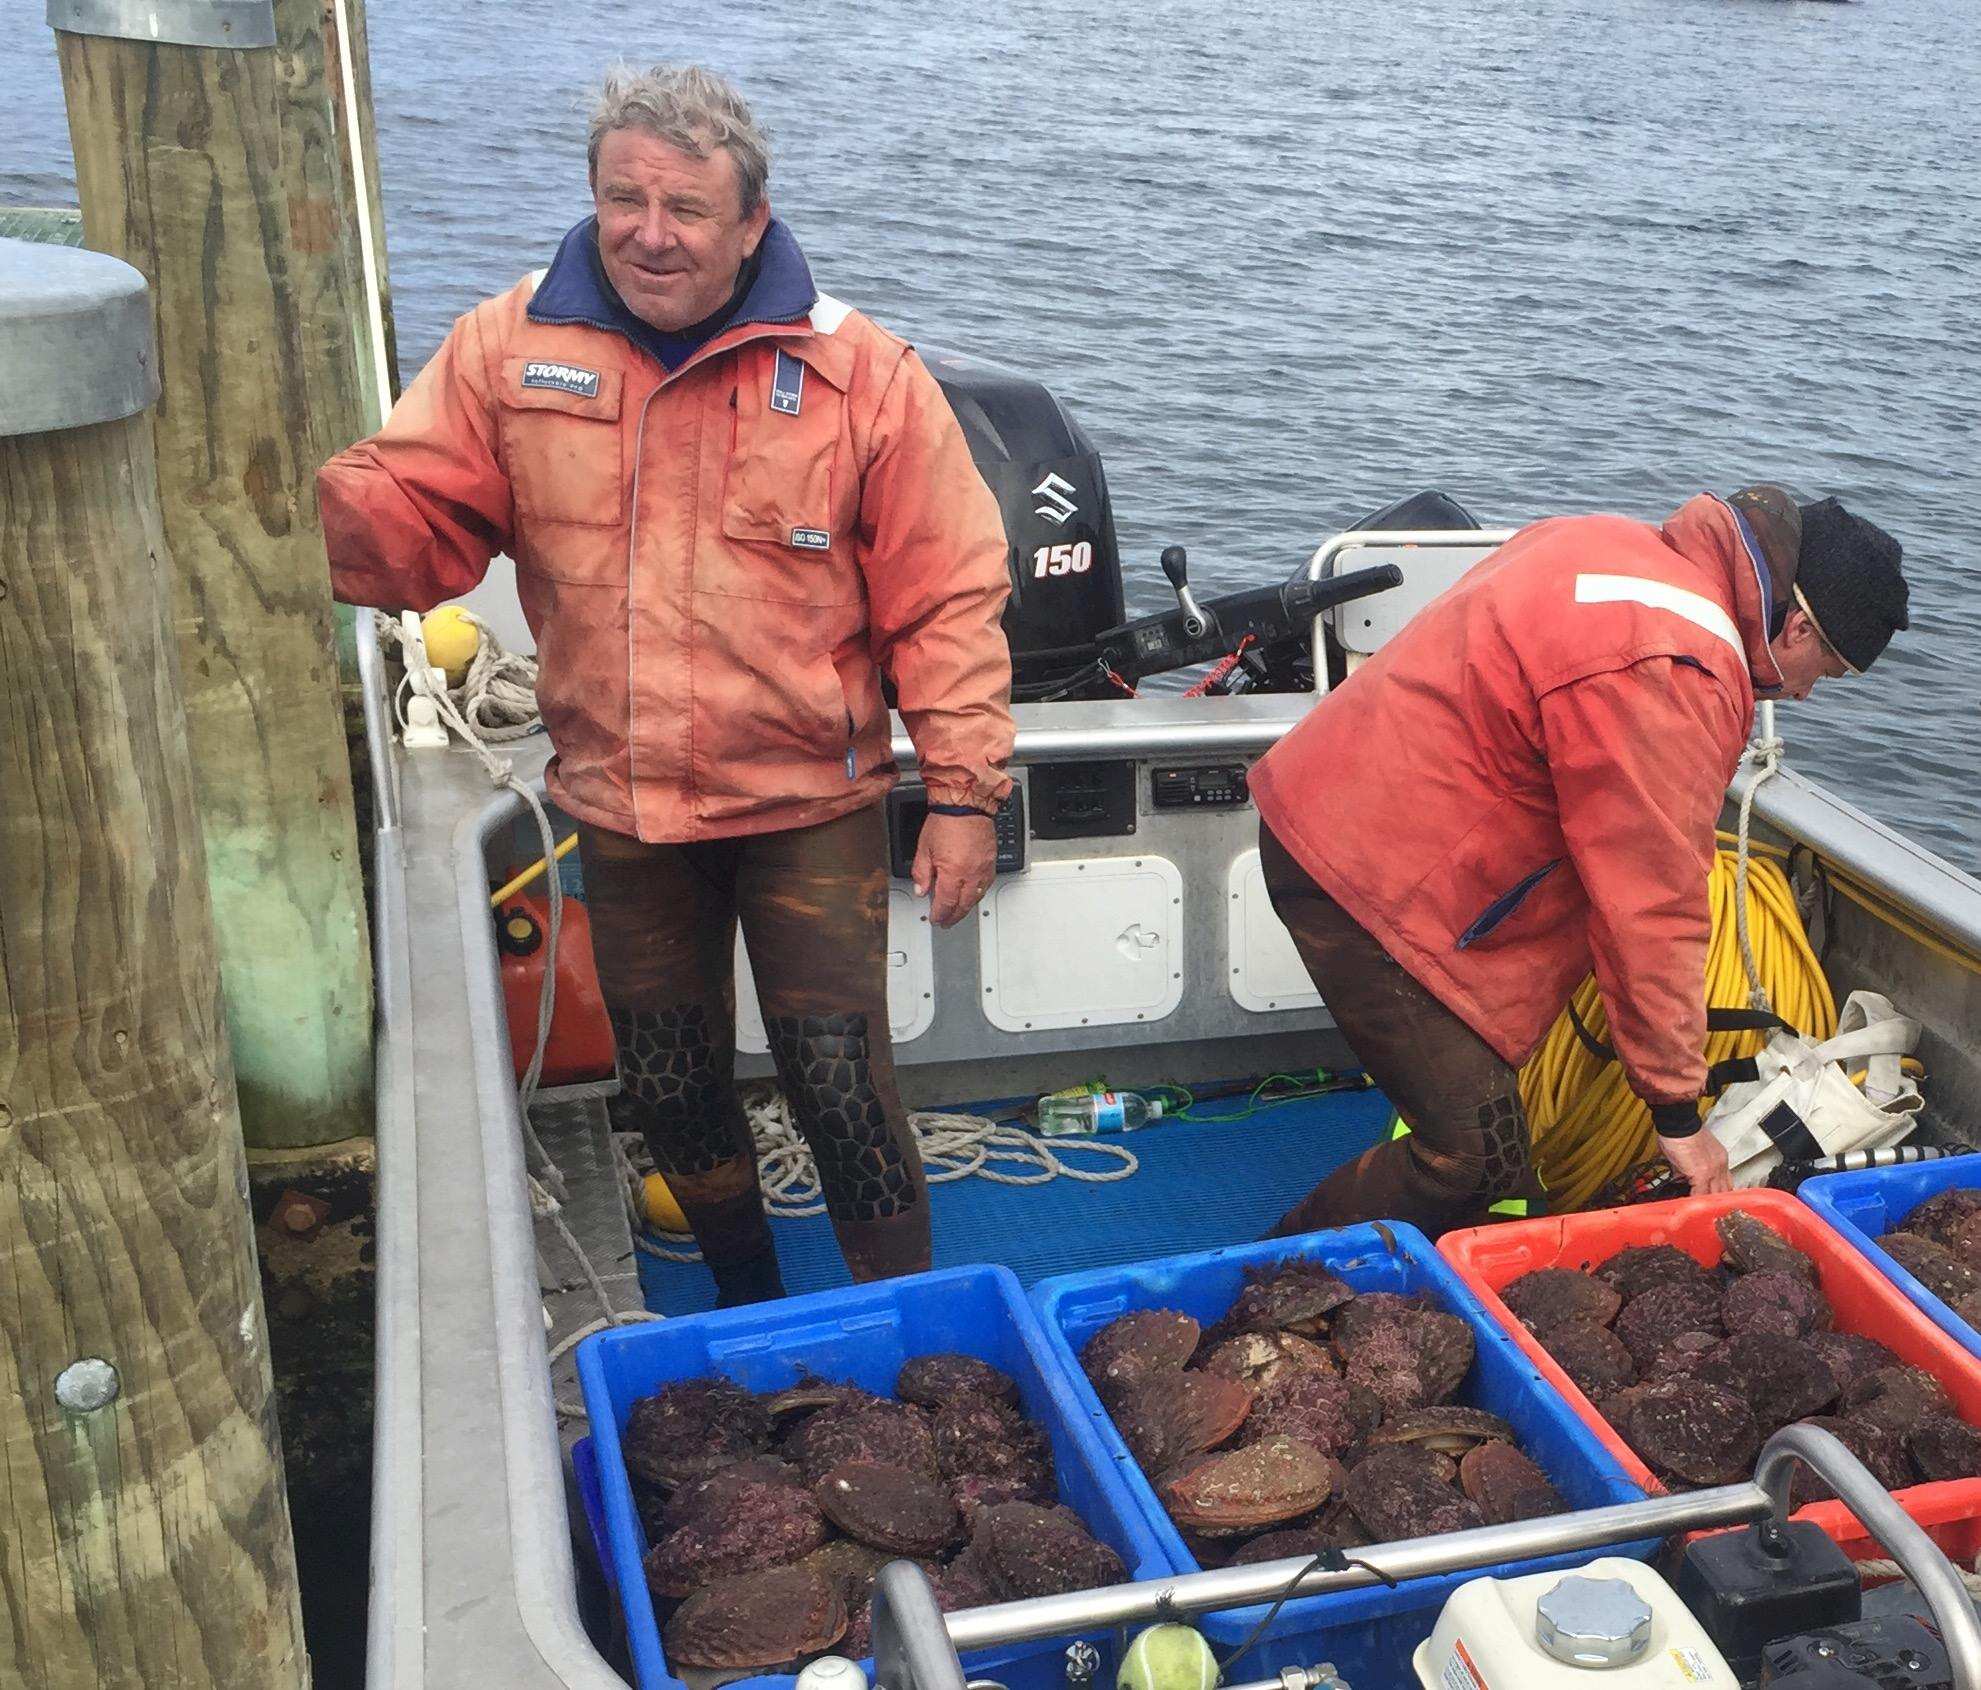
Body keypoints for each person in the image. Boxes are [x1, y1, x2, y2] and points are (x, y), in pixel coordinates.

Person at [318, 65, 1015, 1300]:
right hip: (621, 802)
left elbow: (946, 595)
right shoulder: (505, 346)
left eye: (687, 208)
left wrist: (963, 794)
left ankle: (908, 1328)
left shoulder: (864, 377)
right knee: (670, 1083)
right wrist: (318, 507)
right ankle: (745, 1293)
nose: (649, 232)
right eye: (622, 199)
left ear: (751, 223)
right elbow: (418, 527)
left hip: (810, 804)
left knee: (839, 1079)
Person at [1245, 486, 1908, 1237]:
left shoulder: (1606, 541)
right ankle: (1267, 1283)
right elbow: (1652, 904)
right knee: (1472, 1161)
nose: (1807, 692)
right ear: (1797, 624)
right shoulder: (1681, 663)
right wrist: (1675, 1113)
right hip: (1371, 884)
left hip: (1338, 807)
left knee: (1491, 1145)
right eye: (1825, 669)